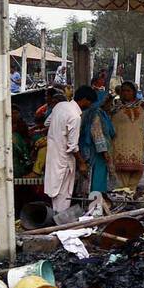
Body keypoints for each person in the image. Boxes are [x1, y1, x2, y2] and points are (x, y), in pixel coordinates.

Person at [46, 87, 91, 215]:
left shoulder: (60, 106)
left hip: (53, 155)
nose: (90, 105)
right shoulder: (75, 117)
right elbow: (73, 146)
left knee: (56, 189)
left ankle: (55, 217)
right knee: (64, 191)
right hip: (65, 158)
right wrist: (82, 163)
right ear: (84, 100)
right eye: (90, 102)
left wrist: (57, 134)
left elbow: (47, 123)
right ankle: (60, 221)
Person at [109, 81, 144, 193]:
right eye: (123, 90)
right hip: (119, 150)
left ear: (134, 92)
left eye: (128, 91)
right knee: (120, 181)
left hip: (137, 150)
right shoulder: (114, 108)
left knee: (134, 181)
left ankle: (130, 198)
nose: (125, 93)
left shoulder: (143, 107)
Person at [78, 87, 116, 194]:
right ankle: (95, 206)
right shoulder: (96, 114)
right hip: (96, 154)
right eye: (108, 103)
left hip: (91, 152)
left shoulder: (93, 113)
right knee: (96, 180)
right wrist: (105, 153)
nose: (110, 105)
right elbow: (97, 134)